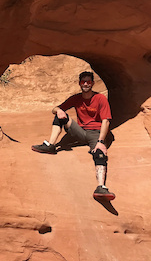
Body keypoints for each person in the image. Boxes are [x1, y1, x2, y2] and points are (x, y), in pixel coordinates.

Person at [31, 70, 115, 201]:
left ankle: (101, 187)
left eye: (88, 81)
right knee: (60, 116)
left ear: (92, 83)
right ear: (79, 83)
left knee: (99, 154)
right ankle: (51, 146)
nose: (86, 84)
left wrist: (100, 141)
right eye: (83, 81)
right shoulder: (76, 98)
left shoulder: (100, 99)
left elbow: (106, 121)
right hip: (81, 132)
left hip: (96, 133)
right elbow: (55, 108)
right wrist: (59, 110)